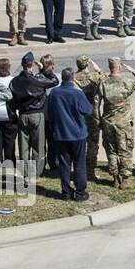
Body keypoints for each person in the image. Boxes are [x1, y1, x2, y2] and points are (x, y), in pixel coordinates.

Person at [97, 57, 135, 189]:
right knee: (125, 150)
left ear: (110, 67)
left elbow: (96, 104)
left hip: (108, 122)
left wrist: (99, 121)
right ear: (119, 67)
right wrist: (132, 71)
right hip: (124, 123)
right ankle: (124, 180)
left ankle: (115, 178)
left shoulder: (103, 83)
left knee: (111, 149)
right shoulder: (127, 82)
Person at [45, 67, 94, 201]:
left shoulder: (54, 93)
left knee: (64, 164)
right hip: (77, 134)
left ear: (62, 77)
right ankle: (80, 193)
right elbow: (88, 110)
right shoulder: (77, 93)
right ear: (73, 77)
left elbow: (48, 114)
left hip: (61, 134)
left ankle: (66, 192)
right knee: (79, 164)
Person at [9, 50, 56, 175]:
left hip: (22, 114)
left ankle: (24, 171)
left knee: (23, 146)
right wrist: (44, 70)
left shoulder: (14, 81)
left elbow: (11, 101)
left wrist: (14, 116)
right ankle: (36, 172)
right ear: (32, 64)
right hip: (36, 113)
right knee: (38, 145)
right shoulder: (36, 80)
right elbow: (54, 80)